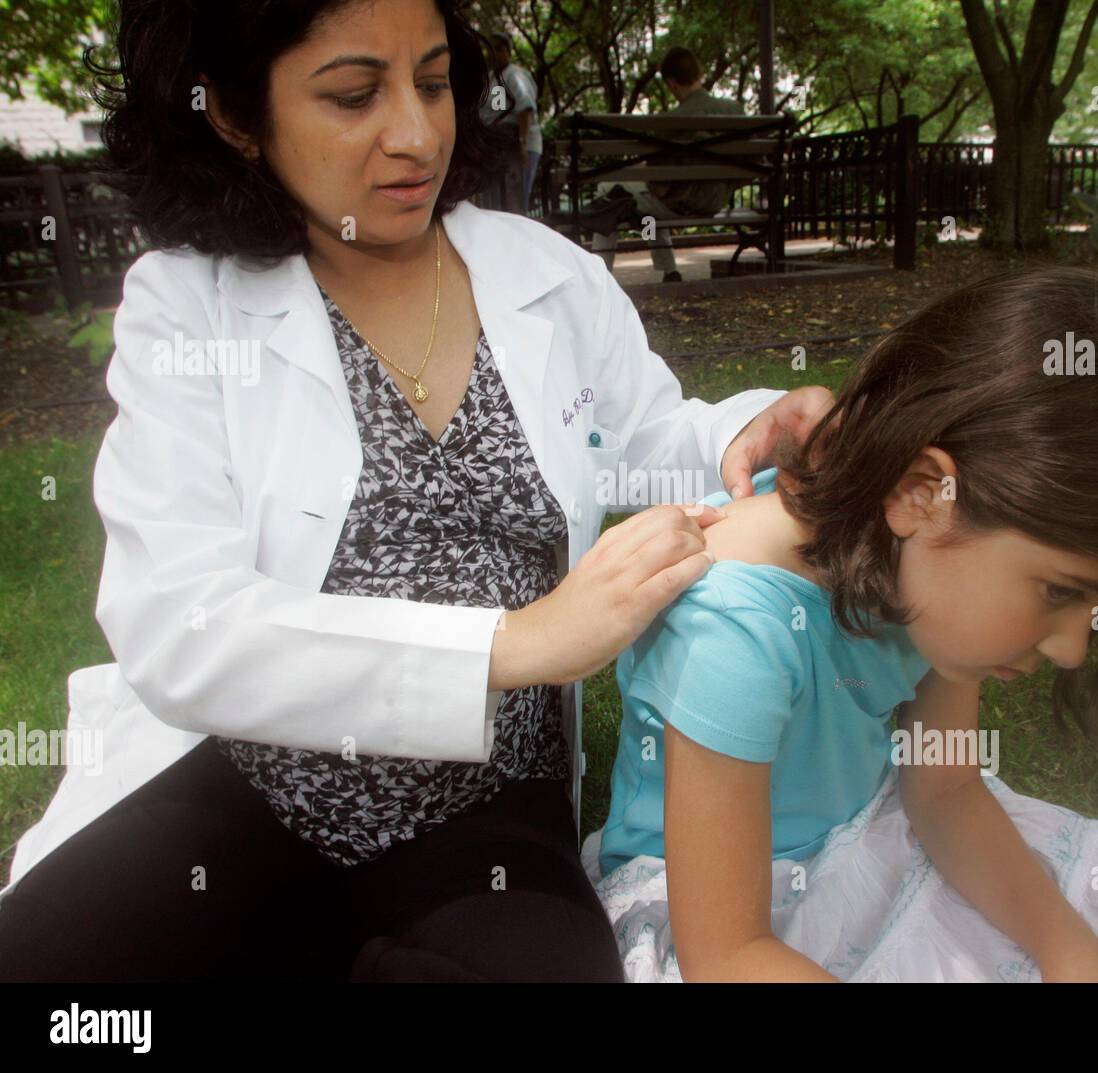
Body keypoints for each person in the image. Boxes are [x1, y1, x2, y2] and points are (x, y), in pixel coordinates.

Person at [0, 0, 834, 983]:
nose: (415, 133)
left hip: (488, 806)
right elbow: (179, 621)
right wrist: (518, 642)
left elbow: (641, 439)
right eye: (355, 94)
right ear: (230, 112)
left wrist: (739, 430)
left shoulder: (544, 279)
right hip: (252, 776)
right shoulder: (189, 304)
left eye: (432, 82)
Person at [581, 265, 1098, 983]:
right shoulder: (733, 629)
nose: (1069, 648)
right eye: (1059, 590)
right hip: (727, 915)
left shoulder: (920, 567)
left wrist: (1070, 949)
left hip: (877, 831)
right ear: (921, 491)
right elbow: (727, 954)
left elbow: (945, 790)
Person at [587, 46, 747, 283]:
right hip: (715, 201)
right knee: (642, 208)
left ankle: (598, 277)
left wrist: (640, 173)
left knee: (607, 190)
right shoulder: (735, 111)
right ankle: (669, 270)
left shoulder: (671, 121)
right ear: (699, 75)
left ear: (671, 83)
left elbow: (659, 185)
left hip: (679, 203)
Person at [479, 31, 541, 214]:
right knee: (495, 203)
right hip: (496, 145)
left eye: (499, 49)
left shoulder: (516, 76)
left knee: (515, 200)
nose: (495, 54)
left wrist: (522, 143)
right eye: (491, 50)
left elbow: (525, 109)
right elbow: (493, 112)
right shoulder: (491, 79)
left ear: (508, 51)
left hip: (517, 145)